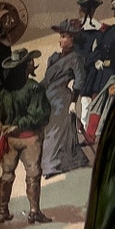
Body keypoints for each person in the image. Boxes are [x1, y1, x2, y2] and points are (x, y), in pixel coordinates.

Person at [0, 48, 52, 224]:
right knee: (33, 173)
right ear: (26, 66)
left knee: (7, 174)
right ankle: (34, 211)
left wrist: (4, 126)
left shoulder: (5, 91)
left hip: (10, 138)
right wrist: (19, 125)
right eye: (29, 62)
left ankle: (3, 211)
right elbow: (40, 115)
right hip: (29, 138)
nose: (32, 64)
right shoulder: (34, 87)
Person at [40, 25, 90, 179]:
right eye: (60, 36)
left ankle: (50, 165)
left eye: (63, 36)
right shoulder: (54, 57)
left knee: (54, 131)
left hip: (63, 99)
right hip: (48, 97)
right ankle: (70, 160)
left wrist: (74, 102)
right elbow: (46, 80)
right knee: (47, 129)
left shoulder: (75, 58)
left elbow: (80, 80)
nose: (60, 40)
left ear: (72, 39)